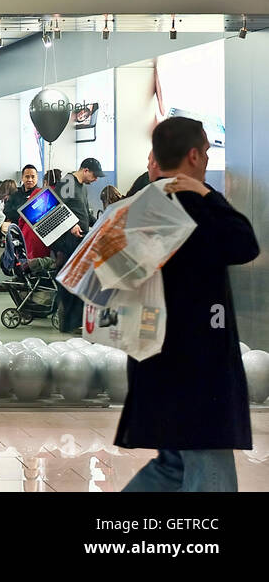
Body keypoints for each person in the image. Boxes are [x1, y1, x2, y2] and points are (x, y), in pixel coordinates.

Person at [117, 116, 260, 492]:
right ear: (194, 155)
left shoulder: (140, 205)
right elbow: (244, 243)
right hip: (196, 361)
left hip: (155, 352)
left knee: (173, 464)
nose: (210, 158)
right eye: (208, 151)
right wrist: (208, 194)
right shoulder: (192, 204)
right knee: (209, 466)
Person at [56, 157, 103, 236]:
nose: (96, 179)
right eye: (95, 175)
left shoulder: (83, 187)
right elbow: (55, 209)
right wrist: (71, 225)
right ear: (86, 171)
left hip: (80, 237)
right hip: (68, 239)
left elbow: (86, 214)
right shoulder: (68, 182)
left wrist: (101, 225)